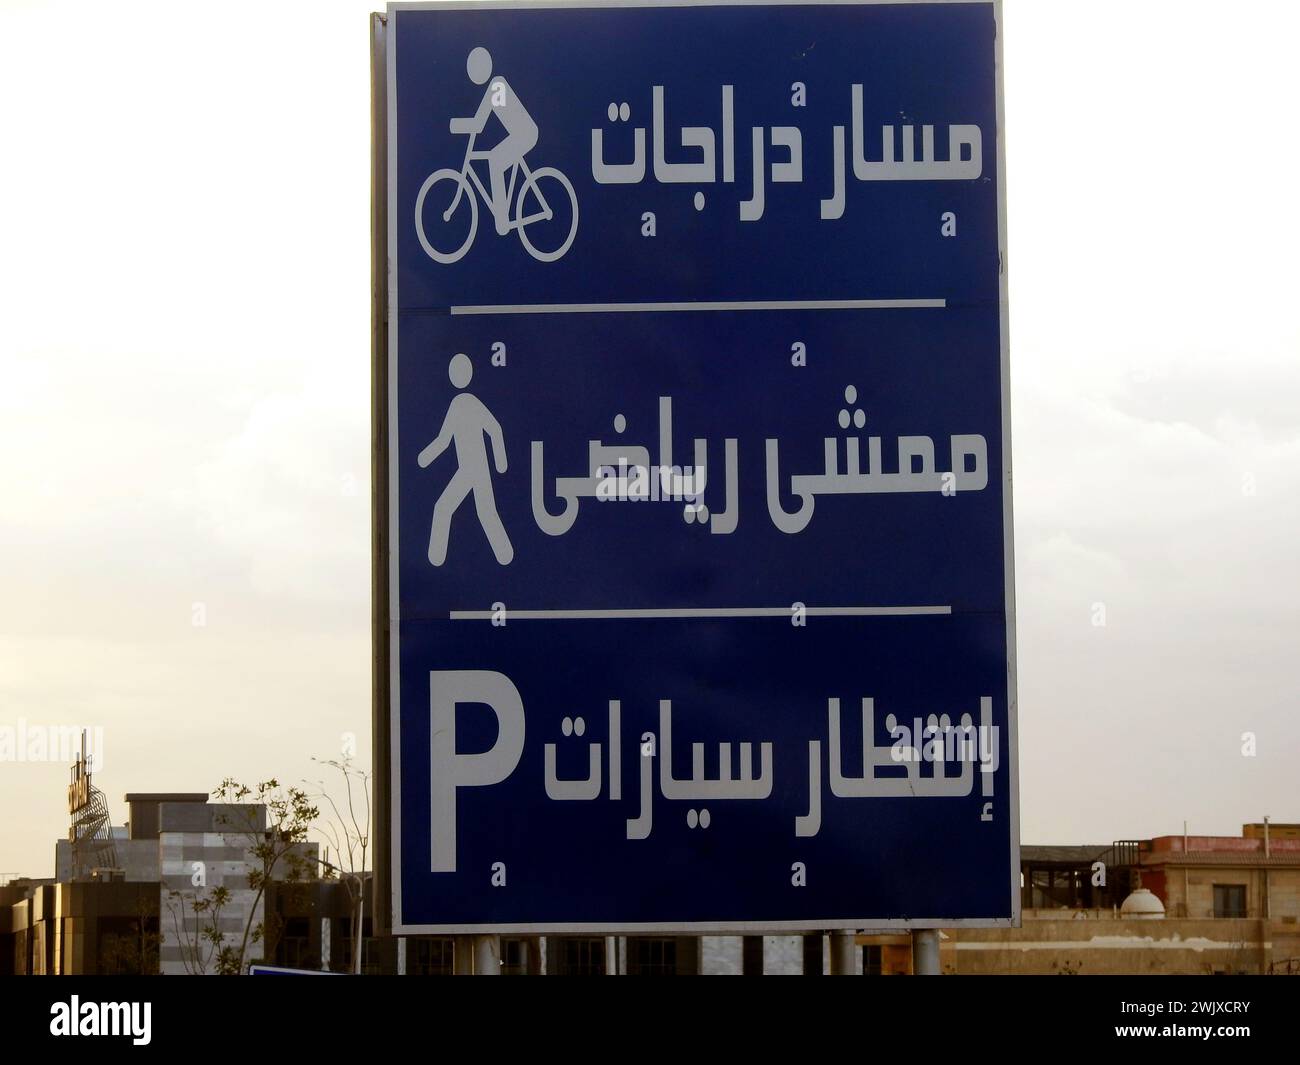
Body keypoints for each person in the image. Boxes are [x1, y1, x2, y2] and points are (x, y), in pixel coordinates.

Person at [418, 353, 513, 566]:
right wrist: (425, 457)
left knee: (480, 512)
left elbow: (495, 428)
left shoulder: (470, 403)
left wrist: (501, 463)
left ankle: (506, 557)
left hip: (477, 470)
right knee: (451, 508)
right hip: (468, 470)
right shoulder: (457, 404)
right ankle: (436, 561)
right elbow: (444, 440)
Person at [449, 46, 539, 236]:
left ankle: (503, 221)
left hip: (525, 134)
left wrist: (455, 125)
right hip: (519, 134)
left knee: (495, 161)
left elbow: (479, 123)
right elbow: (479, 122)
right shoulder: (493, 87)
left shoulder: (497, 86)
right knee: (495, 158)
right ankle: (503, 215)